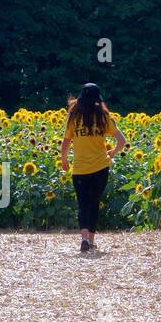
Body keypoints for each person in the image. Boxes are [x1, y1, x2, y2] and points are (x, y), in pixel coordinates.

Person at [59, 83, 126, 252]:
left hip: (80, 169)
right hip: (100, 168)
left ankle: (84, 239)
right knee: (94, 203)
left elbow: (66, 142)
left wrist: (64, 159)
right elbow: (122, 141)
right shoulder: (105, 118)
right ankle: (91, 240)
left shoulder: (74, 118)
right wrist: (112, 152)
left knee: (83, 204)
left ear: (81, 98)